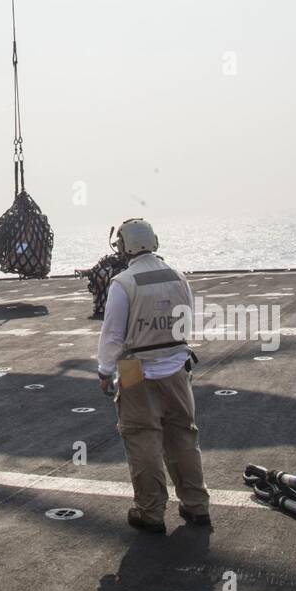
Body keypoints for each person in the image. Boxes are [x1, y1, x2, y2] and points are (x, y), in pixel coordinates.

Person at [97, 218, 211, 534]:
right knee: (183, 436)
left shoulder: (123, 283)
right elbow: (186, 321)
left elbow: (112, 336)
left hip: (135, 369)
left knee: (142, 438)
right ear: (154, 241)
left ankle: (151, 512)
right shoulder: (178, 277)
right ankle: (197, 505)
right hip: (177, 364)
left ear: (123, 246)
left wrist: (105, 372)